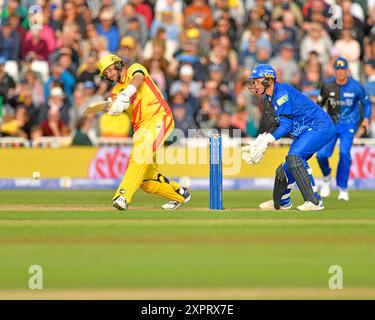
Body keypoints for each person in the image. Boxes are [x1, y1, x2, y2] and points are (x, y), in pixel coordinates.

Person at [96, 53, 191, 210]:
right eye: (106, 73)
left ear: (118, 65)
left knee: (139, 156)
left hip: (159, 118)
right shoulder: (115, 91)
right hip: (141, 130)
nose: (110, 74)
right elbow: (120, 105)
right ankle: (179, 194)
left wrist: (125, 95)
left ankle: (122, 196)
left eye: (110, 69)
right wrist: (114, 107)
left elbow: (138, 80)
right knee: (146, 182)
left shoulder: (135, 68)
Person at [242, 64, 335, 211]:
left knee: (295, 157)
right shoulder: (268, 98)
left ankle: (315, 201)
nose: (253, 84)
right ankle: (282, 202)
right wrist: (261, 142)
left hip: (320, 126)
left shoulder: (282, 93)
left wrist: (270, 139)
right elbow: (274, 126)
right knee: (283, 170)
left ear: (269, 80)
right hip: (305, 131)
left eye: (257, 80)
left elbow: (286, 125)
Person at [316, 57, 372, 201]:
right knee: (321, 155)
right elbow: (318, 105)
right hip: (331, 125)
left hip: (349, 126)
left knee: (344, 153)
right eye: (337, 70)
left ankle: (343, 188)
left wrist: (365, 119)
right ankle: (327, 177)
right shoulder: (327, 85)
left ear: (347, 70)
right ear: (334, 71)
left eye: (342, 70)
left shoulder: (356, 86)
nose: (340, 73)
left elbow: (366, 104)